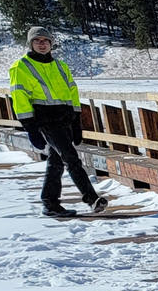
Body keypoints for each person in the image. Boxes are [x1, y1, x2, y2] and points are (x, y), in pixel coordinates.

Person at [10, 27, 107, 218]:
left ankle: (50, 203)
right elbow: (19, 98)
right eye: (37, 40)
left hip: (65, 118)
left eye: (46, 40)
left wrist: (77, 121)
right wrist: (30, 127)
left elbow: (72, 92)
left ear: (51, 43)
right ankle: (91, 198)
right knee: (70, 158)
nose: (42, 43)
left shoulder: (60, 65)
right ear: (30, 43)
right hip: (45, 119)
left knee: (56, 163)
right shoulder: (21, 67)